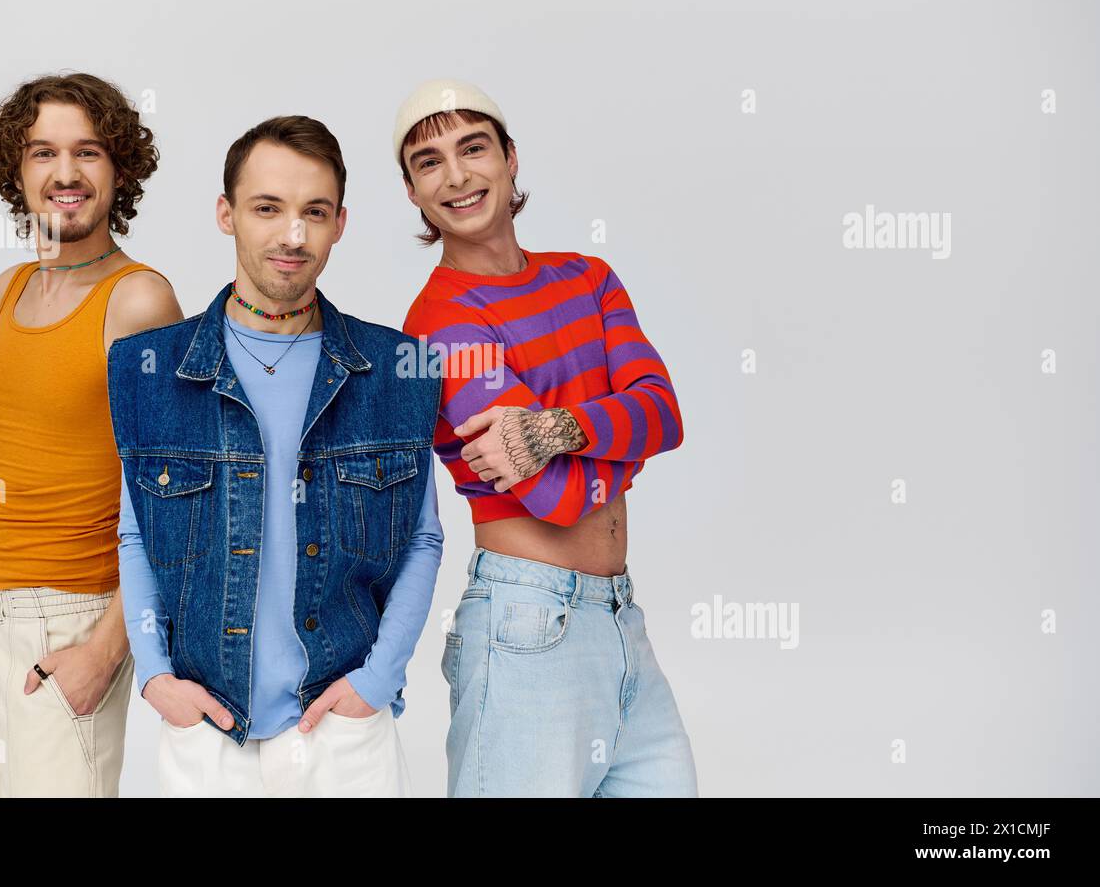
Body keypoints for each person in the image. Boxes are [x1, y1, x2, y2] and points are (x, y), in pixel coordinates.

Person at [109, 115, 443, 797]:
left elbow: (422, 538)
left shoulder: (396, 367)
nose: (293, 235)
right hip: (205, 731)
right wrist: (155, 677)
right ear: (226, 213)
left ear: (340, 223)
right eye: (268, 209)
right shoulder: (151, 370)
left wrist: (376, 683)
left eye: (314, 213)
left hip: (342, 732)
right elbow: (136, 531)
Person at [396, 78, 699, 797]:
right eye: (429, 162)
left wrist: (558, 427)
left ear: (510, 159)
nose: (458, 175)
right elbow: (559, 499)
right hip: (528, 623)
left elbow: (666, 414)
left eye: (473, 149)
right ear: (412, 192)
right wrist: (621, 444)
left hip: (623, 618)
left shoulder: (588, 279)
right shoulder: (440, 325)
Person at [0, 73, 183, 797]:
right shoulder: (9, 287)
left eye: (89, 152)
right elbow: (11, 452)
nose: (66, 174)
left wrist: (109, 650)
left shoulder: (138, 298)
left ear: (120, 168)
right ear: (17, 170)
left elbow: (174, 489)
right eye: (43, 153)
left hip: (66, 623)